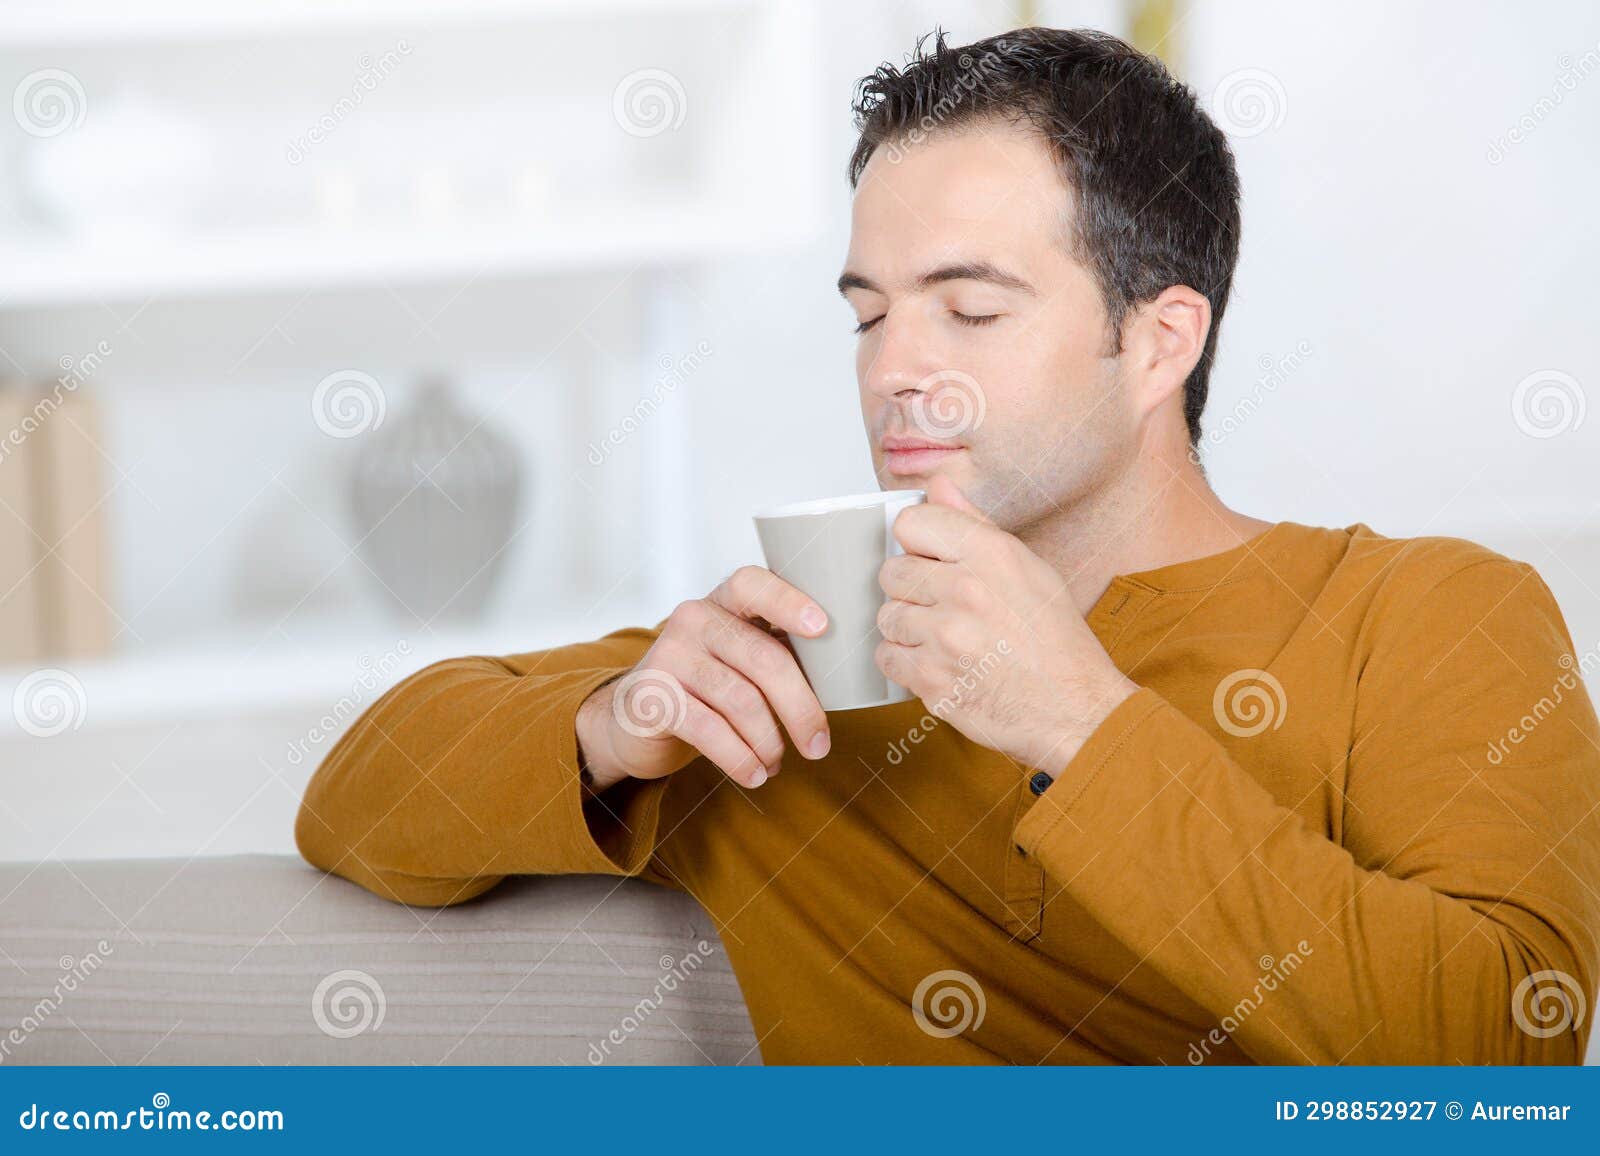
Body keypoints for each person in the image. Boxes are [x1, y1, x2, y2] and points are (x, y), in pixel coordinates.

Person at [296, 27, 1600, 1064]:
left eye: (969, 310)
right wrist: (608, 726)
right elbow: (353, 797)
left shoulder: (1425, 615)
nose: (894, 372)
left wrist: (1082, 723)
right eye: (869, 317)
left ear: (1161, 342)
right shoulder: (813, 657)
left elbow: (1504, 1045)